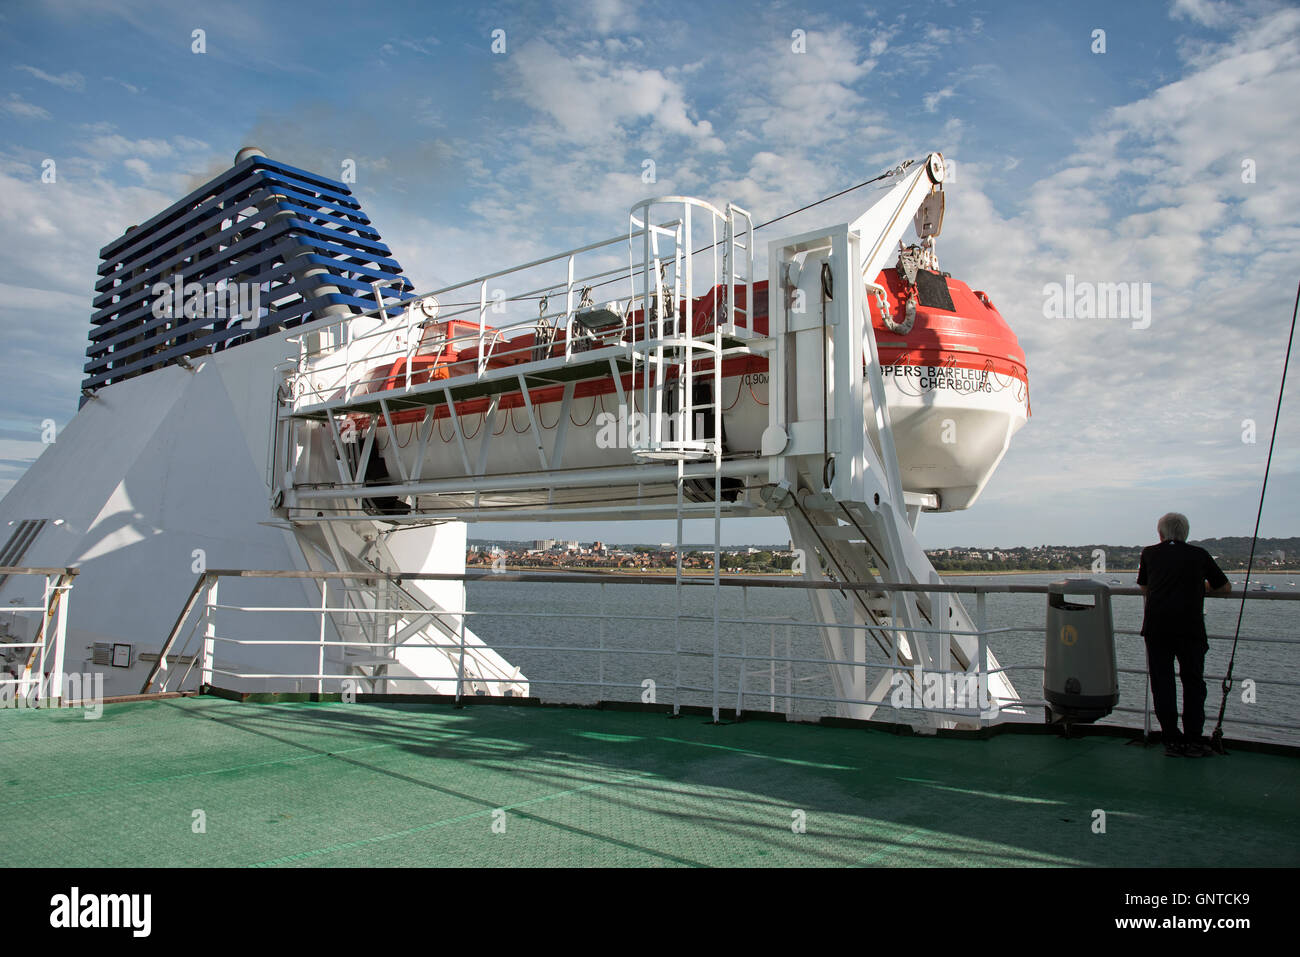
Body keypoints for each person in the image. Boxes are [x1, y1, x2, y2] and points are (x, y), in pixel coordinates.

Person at [1137, 512, 1231, 757]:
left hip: (1157, 628)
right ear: (1186, 534)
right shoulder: (1199, 555)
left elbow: (1146, 587)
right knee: (1193, 683)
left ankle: (1171, 738)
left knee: (1163, 683)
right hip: (1190, 629)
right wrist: (1199, 588)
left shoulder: (1149, 553)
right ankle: (1194, 739)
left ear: (1160, 533)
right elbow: (1224, 587)